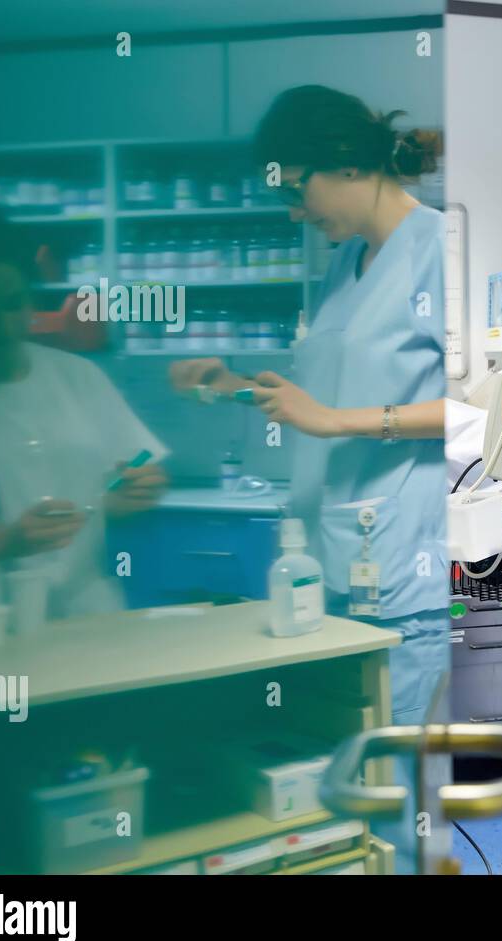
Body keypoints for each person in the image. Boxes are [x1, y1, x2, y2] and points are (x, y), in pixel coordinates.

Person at [168, 86, 450, 871]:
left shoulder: (438, 249)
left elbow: (479, 412)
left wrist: (334, 421)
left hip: (399, 570)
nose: (295, 211)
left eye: (298, 189)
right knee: (340, 798)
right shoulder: (347, 263)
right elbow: (333, 396)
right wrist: (233, 383)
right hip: (328, 567)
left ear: (349, 164)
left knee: (395, 807)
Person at [0, 202, 168, 618]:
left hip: (88, 615)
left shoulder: (78, 377)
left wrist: (140, 485)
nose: (3, 327)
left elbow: (137, 467)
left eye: (14, 304)